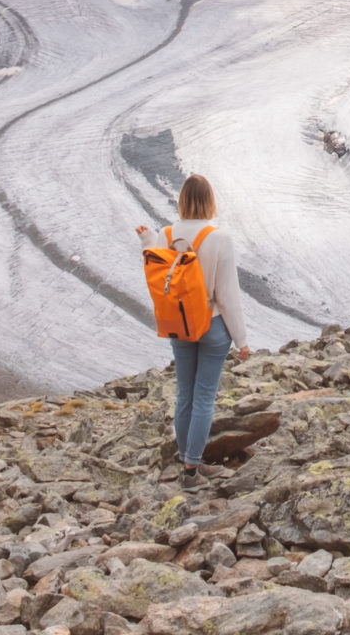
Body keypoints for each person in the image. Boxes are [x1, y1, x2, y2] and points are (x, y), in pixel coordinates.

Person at [136, 173, 252, 484]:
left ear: (183, 200)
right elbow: (227, 295)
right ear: (209, 201)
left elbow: (155, 268)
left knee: (185, 395)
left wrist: (147, 241)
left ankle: (187, 461)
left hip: (179, 325)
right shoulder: (219, 239)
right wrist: (241, 339)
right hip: (212, 325)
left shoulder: (165, 234)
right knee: (204, 398)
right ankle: (192, 468)